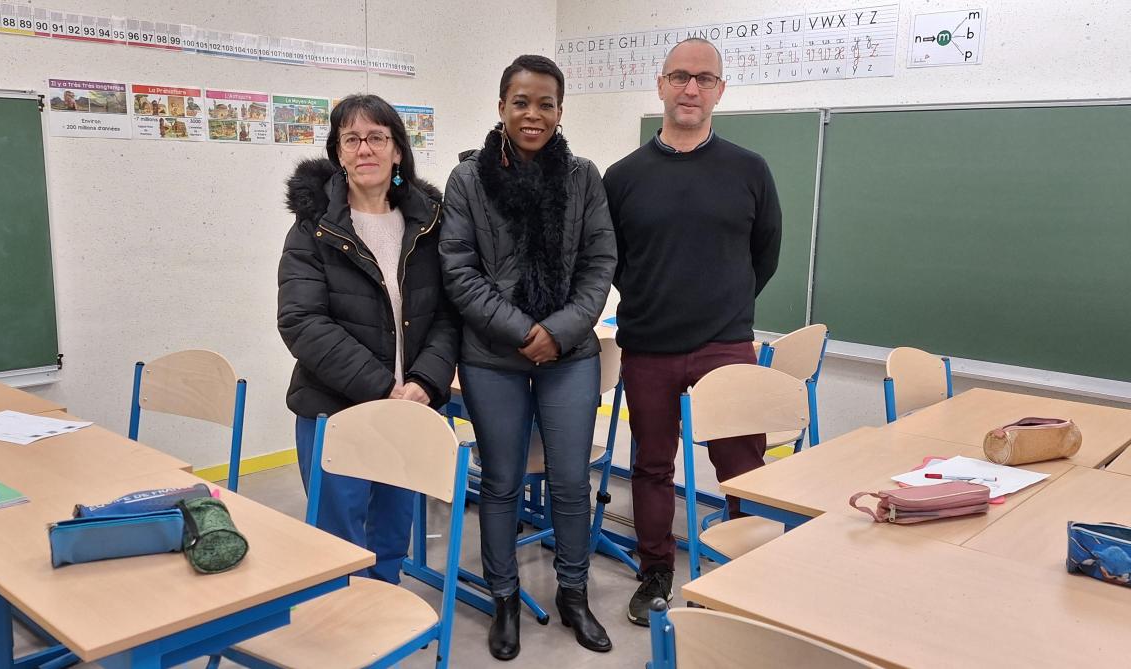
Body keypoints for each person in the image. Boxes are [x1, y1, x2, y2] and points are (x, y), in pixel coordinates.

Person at [602, 37, 784, 626]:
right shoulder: (622, 177)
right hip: (648, 345)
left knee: (743, 463)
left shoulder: (750, 170)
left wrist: (723, 306)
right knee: (652, 466)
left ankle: (748, 572)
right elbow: (614, 260)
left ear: (719, 91)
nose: (690, 88)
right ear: (660, 84)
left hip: (725, 345)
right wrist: (658, 300)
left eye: (704, 79)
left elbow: (765, 255)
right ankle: (655, 572)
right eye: (680, 76)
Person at [440, 54, 616, 660]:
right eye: (521, 102)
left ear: (560, 111)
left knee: (569, 481)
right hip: (492, 356)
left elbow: (599, 264)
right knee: (502, 483)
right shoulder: (467, 179)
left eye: (545, 103)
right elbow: (459, 271)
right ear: (501, 108)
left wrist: (558, 333)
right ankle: (505, 599)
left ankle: (574, 594)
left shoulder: (583, 177)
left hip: (570, 353)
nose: (533, 114)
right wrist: (523, 332)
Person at [278, 93, 458, 583]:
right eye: (351, 139)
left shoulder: (429, 224)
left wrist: (425, 381)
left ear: (397, 150)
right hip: (336, 411)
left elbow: (448, 315)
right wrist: (382, 387)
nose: (365, 149)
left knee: (392, 535)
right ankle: (341, 623)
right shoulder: (313, 229)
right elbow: (300, 320)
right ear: (338, 152)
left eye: (377, 137)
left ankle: (386, 609)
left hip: (410, 409)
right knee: (337, 546)